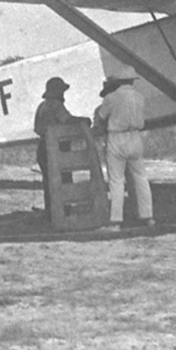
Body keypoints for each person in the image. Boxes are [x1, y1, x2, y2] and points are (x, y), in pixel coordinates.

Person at [93, 65, 154, 230]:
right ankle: (148, 216)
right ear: (132, 81)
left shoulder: (111, 98)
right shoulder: (140, 97)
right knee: (141, 177)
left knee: (116, 180)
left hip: (117, 137)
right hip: (135, 136)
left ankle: (116, 220)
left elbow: (101, 116)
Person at [33, 77, 86, 218]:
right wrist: (84, 120)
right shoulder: (56, 105)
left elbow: (37, 128)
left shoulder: (42, 106)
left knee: (49, 182)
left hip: (43, 146)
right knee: (64, 180)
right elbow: (67, 120)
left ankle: (51, 213)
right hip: (56, 148)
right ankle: (65, 213)